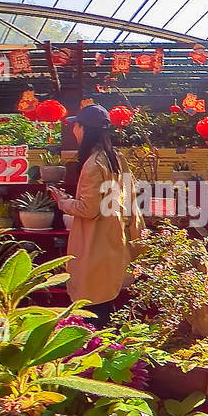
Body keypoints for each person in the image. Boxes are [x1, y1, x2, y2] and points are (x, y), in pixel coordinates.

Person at [52, 104, 141, 323]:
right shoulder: (116, 158)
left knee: (92, 307)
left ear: (83, 129)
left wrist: (63, 201)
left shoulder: (93, 164)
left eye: (75, 125)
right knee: (105, 302)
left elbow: (88, 209)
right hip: (114, 240)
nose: (73, 130)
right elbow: (130, 197)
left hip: (95, 244)